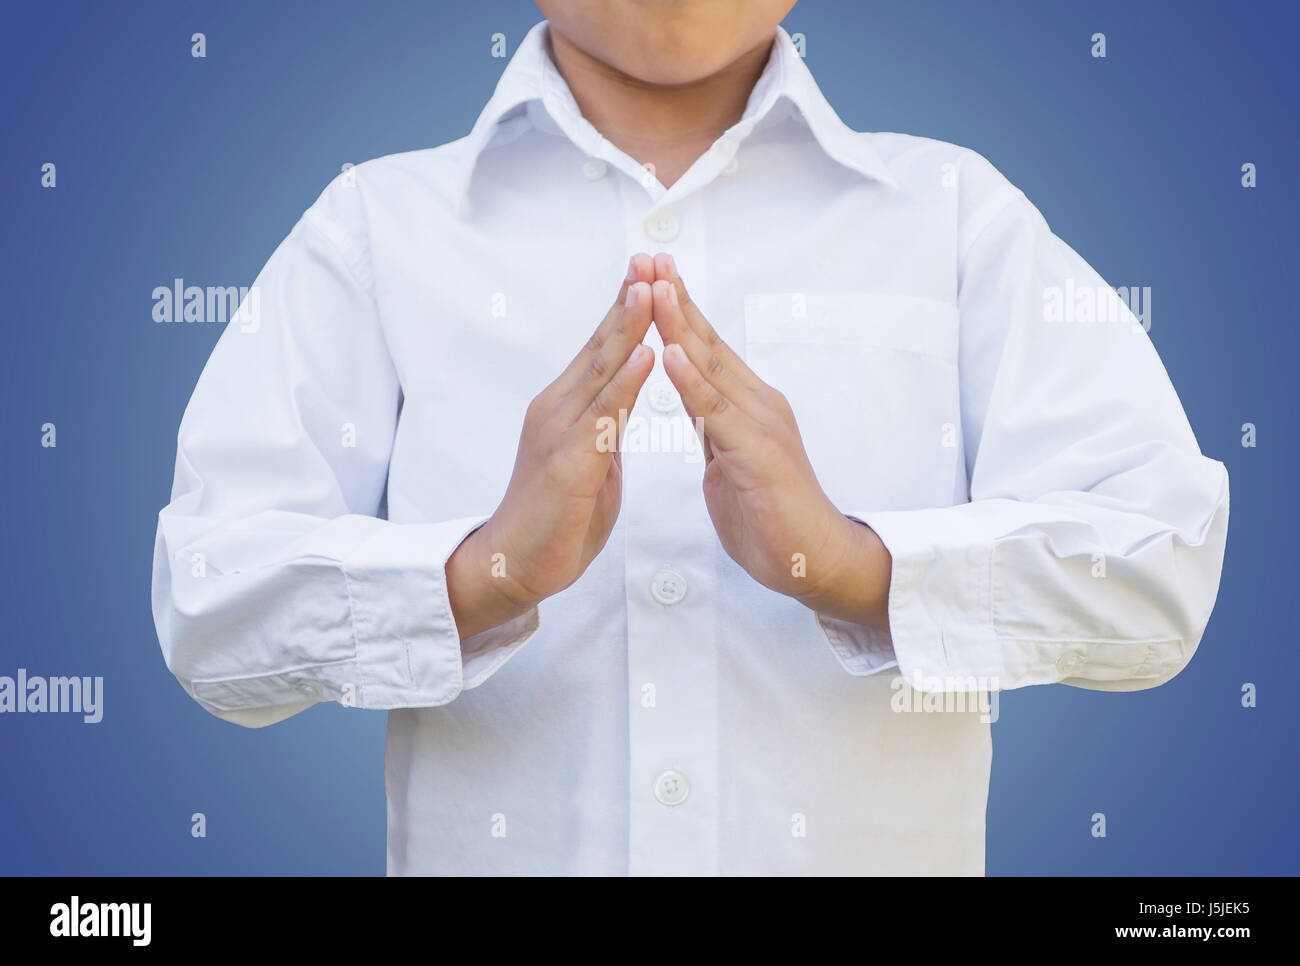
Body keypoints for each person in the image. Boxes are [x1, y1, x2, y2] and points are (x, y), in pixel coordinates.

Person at [152, 0, 1230, 875]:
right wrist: (476, 575)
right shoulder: (377, 228)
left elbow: (1156, 566)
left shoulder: (951, 215)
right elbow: (208, 602)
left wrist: (858, 567)